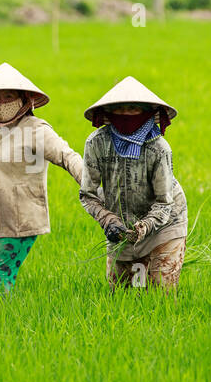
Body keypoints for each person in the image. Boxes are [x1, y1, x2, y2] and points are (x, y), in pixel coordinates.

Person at [0, 62, 83, 292]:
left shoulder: (36, 129)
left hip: (20, 220)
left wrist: (92, 186)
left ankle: (0, 324)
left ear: (23, 99)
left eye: (8, 96)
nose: (1, 103)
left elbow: (68, 157)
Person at [79, 77, 188, 290]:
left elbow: (164, 202)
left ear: (147, 111)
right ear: (109, 112)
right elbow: (88, 195)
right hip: (121, 227)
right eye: (119, 109)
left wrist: (145, 226)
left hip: (165, 223)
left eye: (133, 108)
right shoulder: (96, 143)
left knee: (160, 289)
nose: (126, 114)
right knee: (120, 290)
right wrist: (108, 219)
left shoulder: (159, 148)